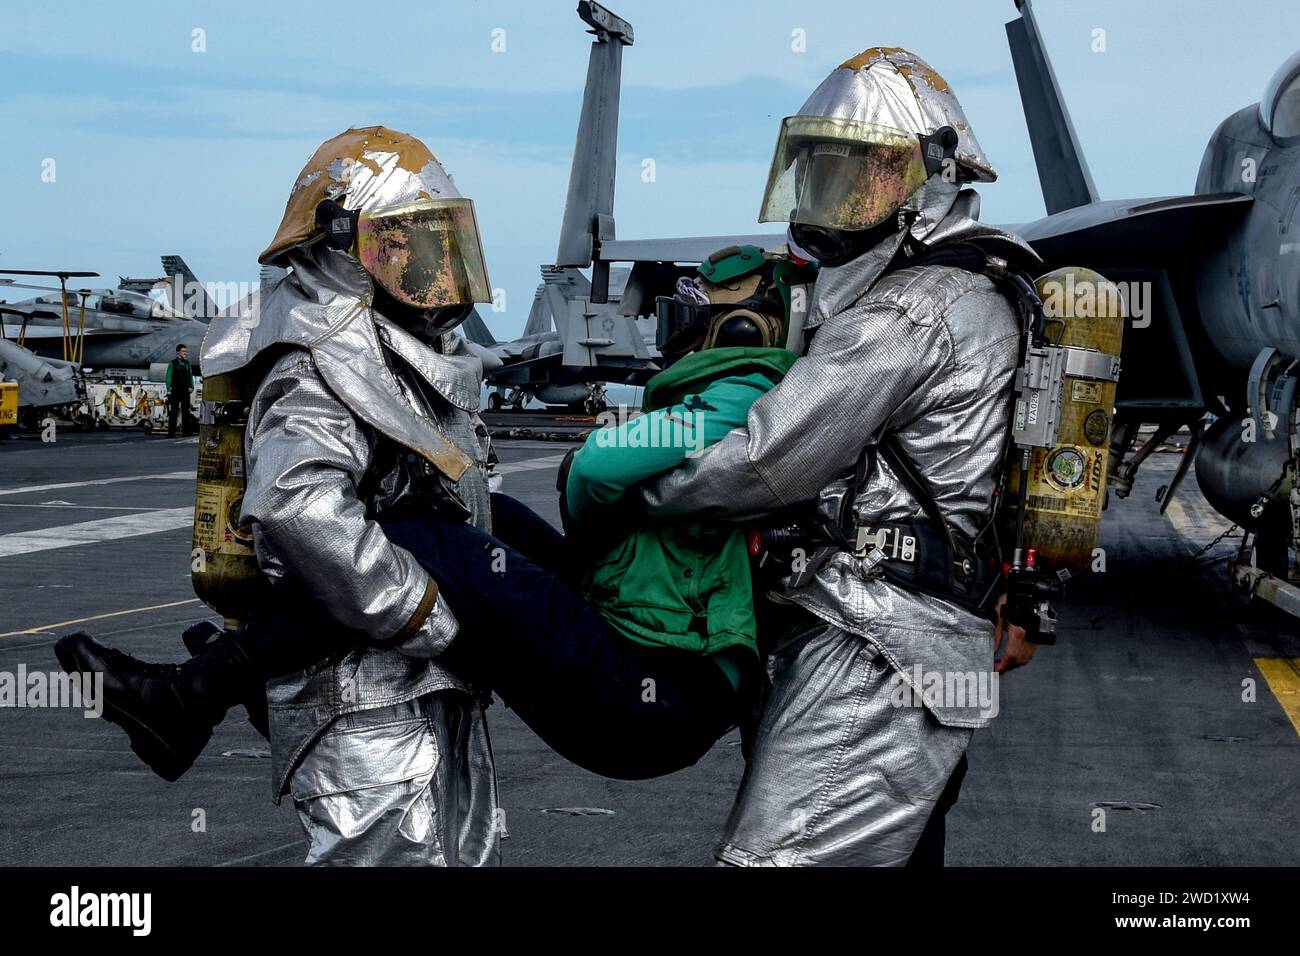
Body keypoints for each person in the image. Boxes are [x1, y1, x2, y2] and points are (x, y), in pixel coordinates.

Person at [57, 248, 812, 784]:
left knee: (427, 543)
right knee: (488, 520)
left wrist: (614, 484)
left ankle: (199, 692)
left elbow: (594, 471)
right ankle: (247, 672)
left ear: (741, 330)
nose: (679, 328)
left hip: (653, 690)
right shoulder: (733, 401)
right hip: (645, 653)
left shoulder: (742, 391)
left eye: (695, 314)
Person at [635, 47, 1044, 866]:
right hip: (931, 639)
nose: (835, 197)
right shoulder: (978, 290)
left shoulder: (910, 308)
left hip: (874, 641)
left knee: (779, 859)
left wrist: (635, 488)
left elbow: (764, 461)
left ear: (926, 177)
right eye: (823, 172)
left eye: (863, 175)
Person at [65, 127, 503, 866]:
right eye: (405, 246)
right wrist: (428, 613)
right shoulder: (317, 367)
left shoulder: (387, 362)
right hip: (365, 709)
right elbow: (300, 508)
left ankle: (199, 689)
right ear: (344, 247)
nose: (432, 268)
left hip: (411, 697)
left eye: (436, 244)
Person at [164, 343, 195, 437]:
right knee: (173, 412)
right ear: (178, 352)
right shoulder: (172, 363)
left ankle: (186, 432)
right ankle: (171, 433)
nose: (185, 353)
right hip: (175, 390)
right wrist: (168, 387)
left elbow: (190, 375)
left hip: (185, 390)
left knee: (186, 411)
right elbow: (168, 376)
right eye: (183, 351)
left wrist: (191, 386)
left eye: (186, 351)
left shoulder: (187, 363)